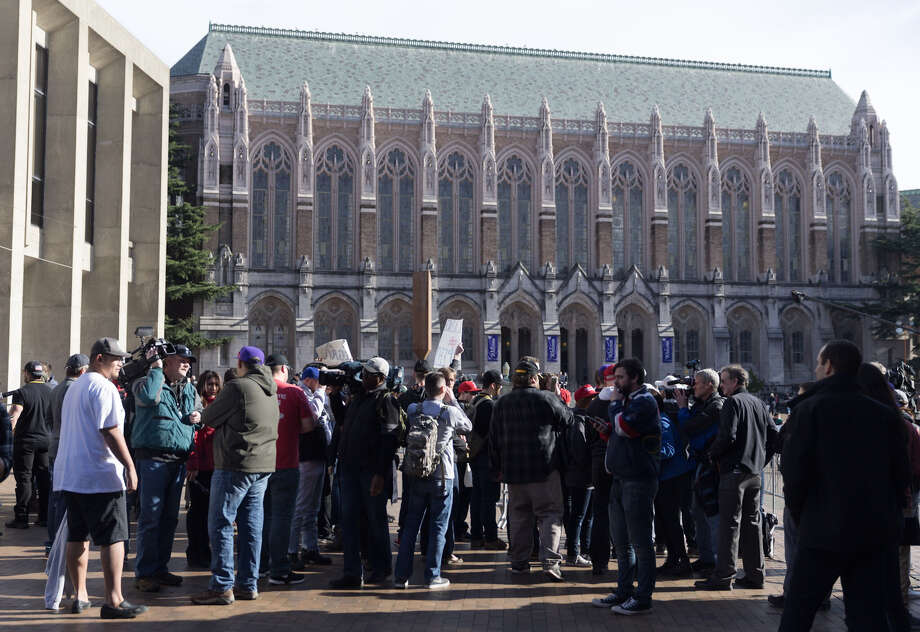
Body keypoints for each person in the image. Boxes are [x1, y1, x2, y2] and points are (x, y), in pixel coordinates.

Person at [779, 341, 910, 631]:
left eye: (818, 363)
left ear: (828, 366)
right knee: (867, 619)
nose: (815, 368)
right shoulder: (886, 415)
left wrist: (805, 518)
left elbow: (794, 475)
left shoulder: (809, 410)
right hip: (873, 533)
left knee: (798, 614)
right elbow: (901, 476)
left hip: (823, 531)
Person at [55, 337, 146, 618]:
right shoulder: (103, 387)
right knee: (113, 538)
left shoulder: (74, 386)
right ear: (98, 358)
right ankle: (114, 600)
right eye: (114, 357)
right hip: (99, 475)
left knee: (78, 535)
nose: (120, 362)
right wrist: (130, 466)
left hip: (72, 474)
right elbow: (110, 430)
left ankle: (80, 595)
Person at [191, 346, 279, 605]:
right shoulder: (270, 388)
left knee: (221, 522)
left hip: (235, 464)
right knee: (252, 525)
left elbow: (209, 416)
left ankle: (221, 586)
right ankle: (248, 584)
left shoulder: (238, 387)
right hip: (262, 466)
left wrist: (202, 415)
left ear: (240, 363)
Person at [490, 358, 574, 582]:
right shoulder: (546, 398)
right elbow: (568, 419)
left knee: (519, 516)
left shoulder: (502, 403)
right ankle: (550, 562)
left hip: (514, 471)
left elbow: (494, 439)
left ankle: (519, 563)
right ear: (535, 378)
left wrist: (497, 467)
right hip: (544, 469)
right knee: (549, 513)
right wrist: (555, 393)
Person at [695, 364, 776, 591]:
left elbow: (727, 436)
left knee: (729, 524)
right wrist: (761, 460)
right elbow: (775, 437)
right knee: (752, 523)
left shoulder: (733, 402)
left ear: (735, 382)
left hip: (734, 472)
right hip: (753, 472)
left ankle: (723, 576)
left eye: (724, 380)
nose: (721, 385)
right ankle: (755, 574)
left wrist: (713, 455)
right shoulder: (759, 403)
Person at [591, 358, 661, 616]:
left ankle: (643, 597)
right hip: (620, 477)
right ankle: (624, 591)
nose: (615, 382)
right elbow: (621, 432)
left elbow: (627, 428)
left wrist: (615, 407)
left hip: (638, 479)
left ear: (634, 378)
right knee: (621, 542)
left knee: (641, 542)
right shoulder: (630, 401)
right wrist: (606, 430)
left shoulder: (644, 401)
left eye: (620, 377)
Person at [130, 344, 201, 592]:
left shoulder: (189, 388)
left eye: (188, 361)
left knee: (169, 519)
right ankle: (145, 572)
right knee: (151, 517)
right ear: (166, 361)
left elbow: (198, 410)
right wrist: (156, 369)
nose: (187, 364)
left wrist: (197, 417)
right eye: (181, 359)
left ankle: (160, 567)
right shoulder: (145, 382)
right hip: (153, 460)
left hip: (178, 460)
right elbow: (149, 397)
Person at [395, 371, 473, 588]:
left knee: (411, 526)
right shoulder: (449, 412)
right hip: (442, 476)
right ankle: (433, 575)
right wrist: (452, 399)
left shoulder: (414, 410)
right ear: (443, 389)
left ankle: (401, 576)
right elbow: (468, 426)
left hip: (417, 474)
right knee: (438, 526)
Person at [329, 357, 401, 589]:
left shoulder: (386, 401)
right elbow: (343, 422)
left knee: (375, 520)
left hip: (370, 472)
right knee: (349, 521)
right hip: (349, 469)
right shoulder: (359, 398)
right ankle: (351, 572)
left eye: (369, 374)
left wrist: (380, 474)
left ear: (380, 378)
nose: (364, 377)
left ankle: (381, 567)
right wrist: (334, 394)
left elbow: (389, 441)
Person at [261, 354, 313, 585]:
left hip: (260, 465)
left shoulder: (257, 390)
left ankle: (260, 565)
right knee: (282, 518)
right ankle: (279, 569)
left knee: (261, 517)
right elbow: (308, 425)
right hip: (286, 463)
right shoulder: (294, 392)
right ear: (283, 368)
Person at [675, 369, 724, 577]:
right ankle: (705, 558)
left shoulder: (717, 405)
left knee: (712, 514)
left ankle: (716, 562)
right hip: (698, 465)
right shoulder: (702, 404)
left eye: (696, 383)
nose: (693, 387)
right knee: (698, 512)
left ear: (709, 385)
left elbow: (690, 427)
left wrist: (683, 408)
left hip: (711, 467)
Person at [290, 366, 333, 567]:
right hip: (306, 457)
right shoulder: (300, 394)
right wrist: (321, 392)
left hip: (318, 455)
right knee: (301, 506)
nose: (322, 384)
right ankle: (291, 551)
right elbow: (313, 415)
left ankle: (310, 548)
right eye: (319, 380)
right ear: (309, 380)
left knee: (313, 508)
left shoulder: (316, 394)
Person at [47, 354, 89, 548]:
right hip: (68, 448)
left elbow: (49, 419)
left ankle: (52, 540)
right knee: (64, 499)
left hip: (55, 445)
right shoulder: (76, 389)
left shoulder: (56, 389)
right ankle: (58, 542)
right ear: (82, 370)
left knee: (54, 497)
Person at [7, 360, 53, 529]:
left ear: (27, 373)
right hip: (46, 441)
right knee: (44, 479)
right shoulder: (51, 391)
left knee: (24, 479)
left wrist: (7, 432)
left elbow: (14, 416)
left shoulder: (22, 392)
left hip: (25, 442)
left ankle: (21, 518)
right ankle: (44, 517)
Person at [655, 386, 694, 578]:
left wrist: (645, 454)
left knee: (671, 521)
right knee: (665, 520)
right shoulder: (660, 419)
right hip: (667, 476)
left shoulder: (662, 421)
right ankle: (673, 559)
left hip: (673, 477)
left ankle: (682, 560)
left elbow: (667, 450)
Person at [186, 370, 221, 569]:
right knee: (197, 512)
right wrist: (193, 463)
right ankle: (195, 551)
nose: (213, 388)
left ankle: (205, 551)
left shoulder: (220, 405)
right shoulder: (198, 405)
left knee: (210, 512)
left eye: (216, 384)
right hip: (200, 468)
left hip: (217, 466)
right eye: (210, 384)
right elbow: (194, 438)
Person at [586, 365, 615, 575]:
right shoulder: (625, 402)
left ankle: (599, 561)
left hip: (598, 459)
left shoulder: (595, 405)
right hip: (620, 461)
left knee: (601, 511)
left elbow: (589, 436)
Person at [565, 384, 597, 568]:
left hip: (586, 476)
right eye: (592, 398)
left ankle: (585, 550)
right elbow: (580, 451)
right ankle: (573, 553)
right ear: (585, 401)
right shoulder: (578, 421)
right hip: (581, 476)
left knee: (587, 516)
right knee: (578, 515)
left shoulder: (586, 419)